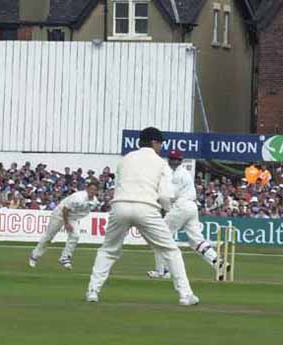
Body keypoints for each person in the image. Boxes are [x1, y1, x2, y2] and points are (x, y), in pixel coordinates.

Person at [86, 127, 199, 306]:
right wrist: (168, 209)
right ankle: (185, 295)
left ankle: (93, 291)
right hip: (146, 208)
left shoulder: (125, 159)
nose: (161, 147)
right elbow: (164, 196)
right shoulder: (161, 163)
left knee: (108, 250)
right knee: (170, 251)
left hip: (120, 206)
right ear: (154, 143)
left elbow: (118, 185)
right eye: (160, 144)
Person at [147, 150, 220, 279]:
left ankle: (163, 271)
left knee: (159, 236)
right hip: (191, 207)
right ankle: (217, 262)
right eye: (172, 159)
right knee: (196, 241)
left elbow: (169, 195)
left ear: (179, 161)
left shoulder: (177, 175)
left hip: (181, 207)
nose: (173, 162)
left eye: (175, 160)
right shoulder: (182, 172)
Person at [29, 181, 100, 269]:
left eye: (95, 190)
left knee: (75, 236)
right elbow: (65, 209)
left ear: (97, 191)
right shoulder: (78, 197)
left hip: (72, 217)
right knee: (49, 237)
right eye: (91, 189)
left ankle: (65, 257)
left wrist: (74, 220)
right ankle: (34, 255)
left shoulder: (95, 201)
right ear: (87, 189)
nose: (92, 191)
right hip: (59, 214)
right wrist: (66, 223)